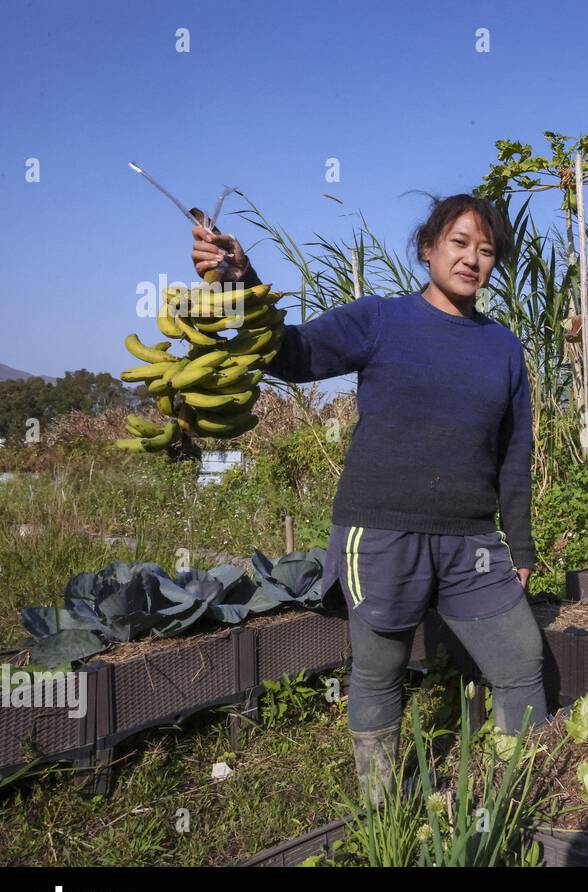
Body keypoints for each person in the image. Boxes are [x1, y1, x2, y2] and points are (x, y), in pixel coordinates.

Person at [189, 194, 548, 808]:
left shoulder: (503, 348)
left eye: (487, 251)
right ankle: (382, 808)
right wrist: (240, 279)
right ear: (428, 248)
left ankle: (520, 793)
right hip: (382, 530)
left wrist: (520, 542)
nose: (472, 259)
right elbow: (292, 354)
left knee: (521, 660)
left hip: (472, 540)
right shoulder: (381, 319)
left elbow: (515, 453)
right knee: (379, 669)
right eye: (459, 243)